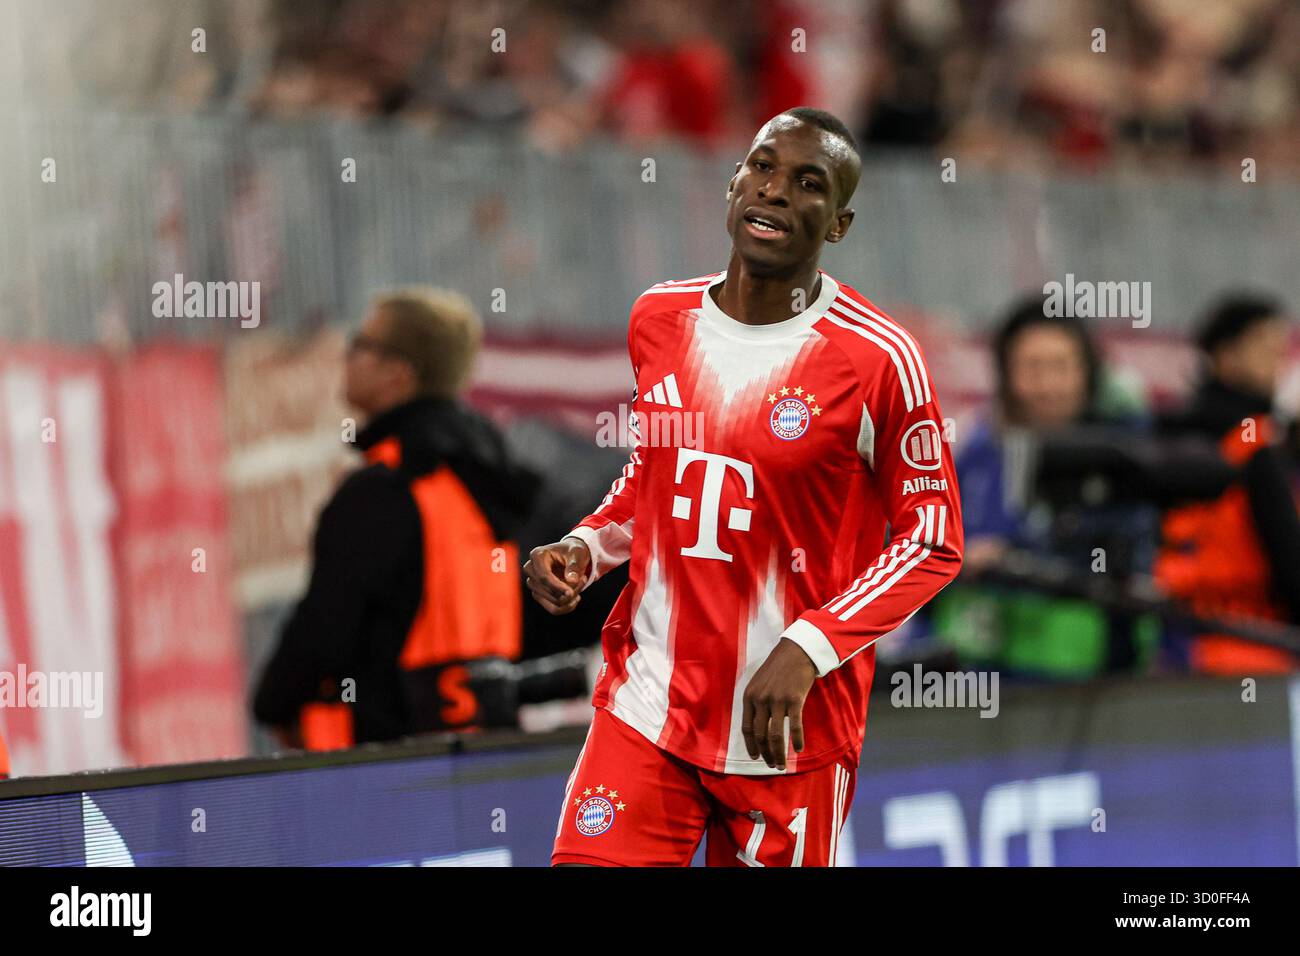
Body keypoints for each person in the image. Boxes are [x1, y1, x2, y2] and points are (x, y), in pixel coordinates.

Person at [524, 107, 963, 867]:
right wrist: (586, 547)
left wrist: (810, 645)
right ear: (733, 183)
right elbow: (657, 473)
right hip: (649, 704)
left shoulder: (877, 359)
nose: (775, 191)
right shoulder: (659, 318)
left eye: (808, 183)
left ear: (839, 224)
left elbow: (931, 540)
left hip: (787, 732)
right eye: (762, 167)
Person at [253, 288, 541, 749]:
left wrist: (272, 703)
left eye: (362, 344)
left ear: (398, 374)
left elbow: (325, 629)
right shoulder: (486, 476)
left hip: (390, 759)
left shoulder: (384, 488)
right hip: (486, 748)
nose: (348, 356)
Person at [928, 297, 1160, 680]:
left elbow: (1134, 560)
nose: (1048, 386)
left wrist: (1021, 555)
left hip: (1094, 677)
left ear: (1087, 373)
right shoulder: (975, 449)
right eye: (1032, 368)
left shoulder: (1122, 453)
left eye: (1061, 367)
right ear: (1005, 373)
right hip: (978, 672)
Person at [1155, 293, 1300, 674]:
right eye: (1263, 345)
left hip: (1176, 642)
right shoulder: (1250, 440)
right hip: (1252, 644)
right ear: (1226, 355)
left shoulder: (1167, 429)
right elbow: (1288, 556)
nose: (1277, 359)